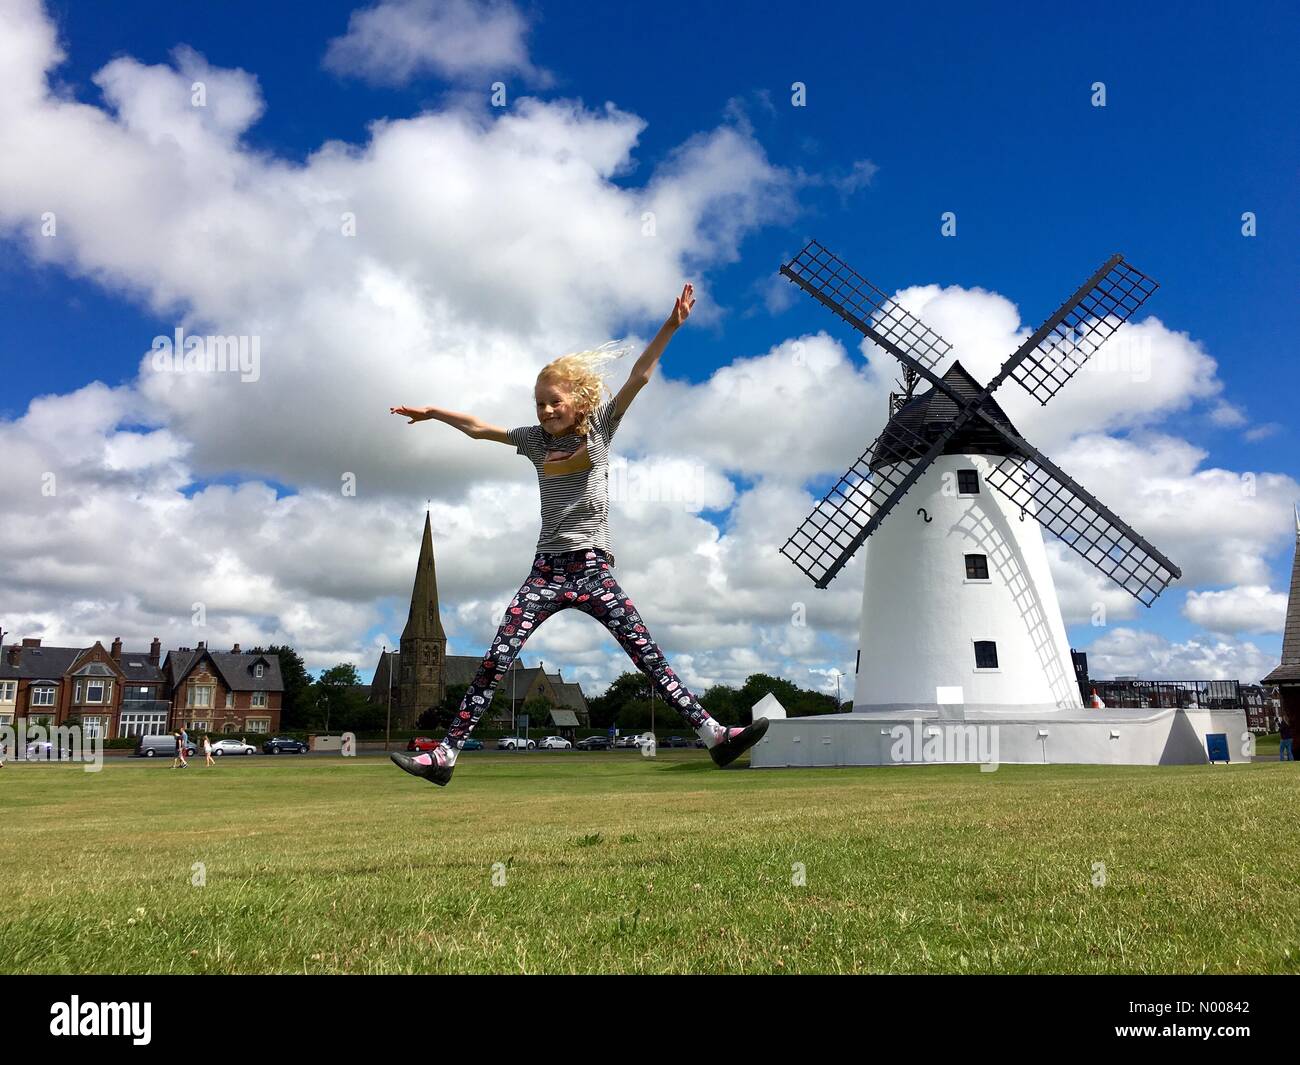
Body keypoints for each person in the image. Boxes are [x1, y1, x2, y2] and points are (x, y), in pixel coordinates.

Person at [388, 284, 768, 788]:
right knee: (497, 658)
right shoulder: (534, 440)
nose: (545, 410)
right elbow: (480, 429)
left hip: (593, 570)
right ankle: (445, 755)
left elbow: (638, 376)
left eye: (553, 401)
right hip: (546, 570)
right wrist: (435, 413)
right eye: (539, 402)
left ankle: (715, 736)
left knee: (647, 654)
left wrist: (671, 327)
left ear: (579, 399)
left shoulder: (602, 431)